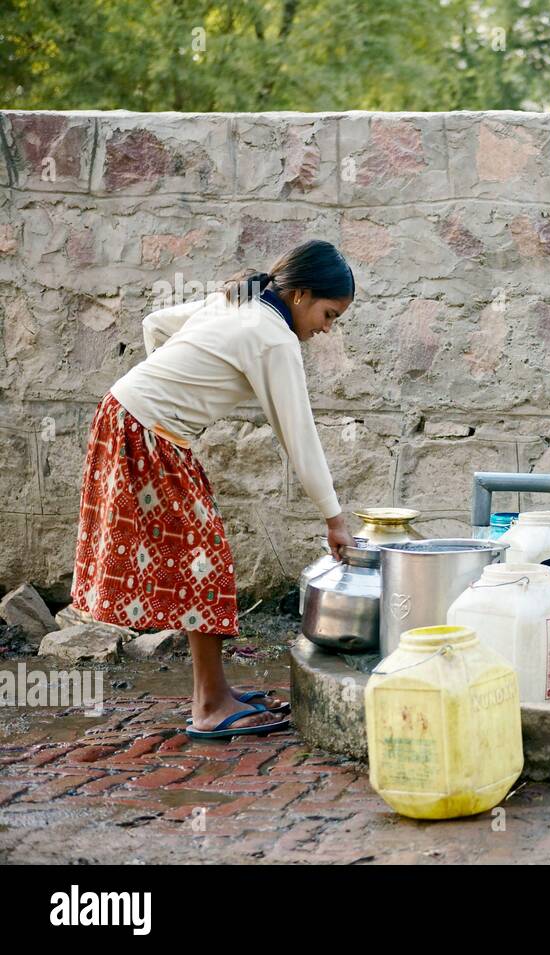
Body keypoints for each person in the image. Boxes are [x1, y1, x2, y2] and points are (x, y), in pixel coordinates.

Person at [69, 240, 355, 737]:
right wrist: (333, 516)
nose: (327, 328)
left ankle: (214, 692)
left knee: (203, 555)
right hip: (146, 431)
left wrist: (173, 386)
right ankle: (210, 705)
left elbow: (155, 324)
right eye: (328, 314)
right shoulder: (274, 339)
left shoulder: (237, 300)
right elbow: (300, 436)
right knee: (205, 559)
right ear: (301, 294)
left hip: (129, 417)